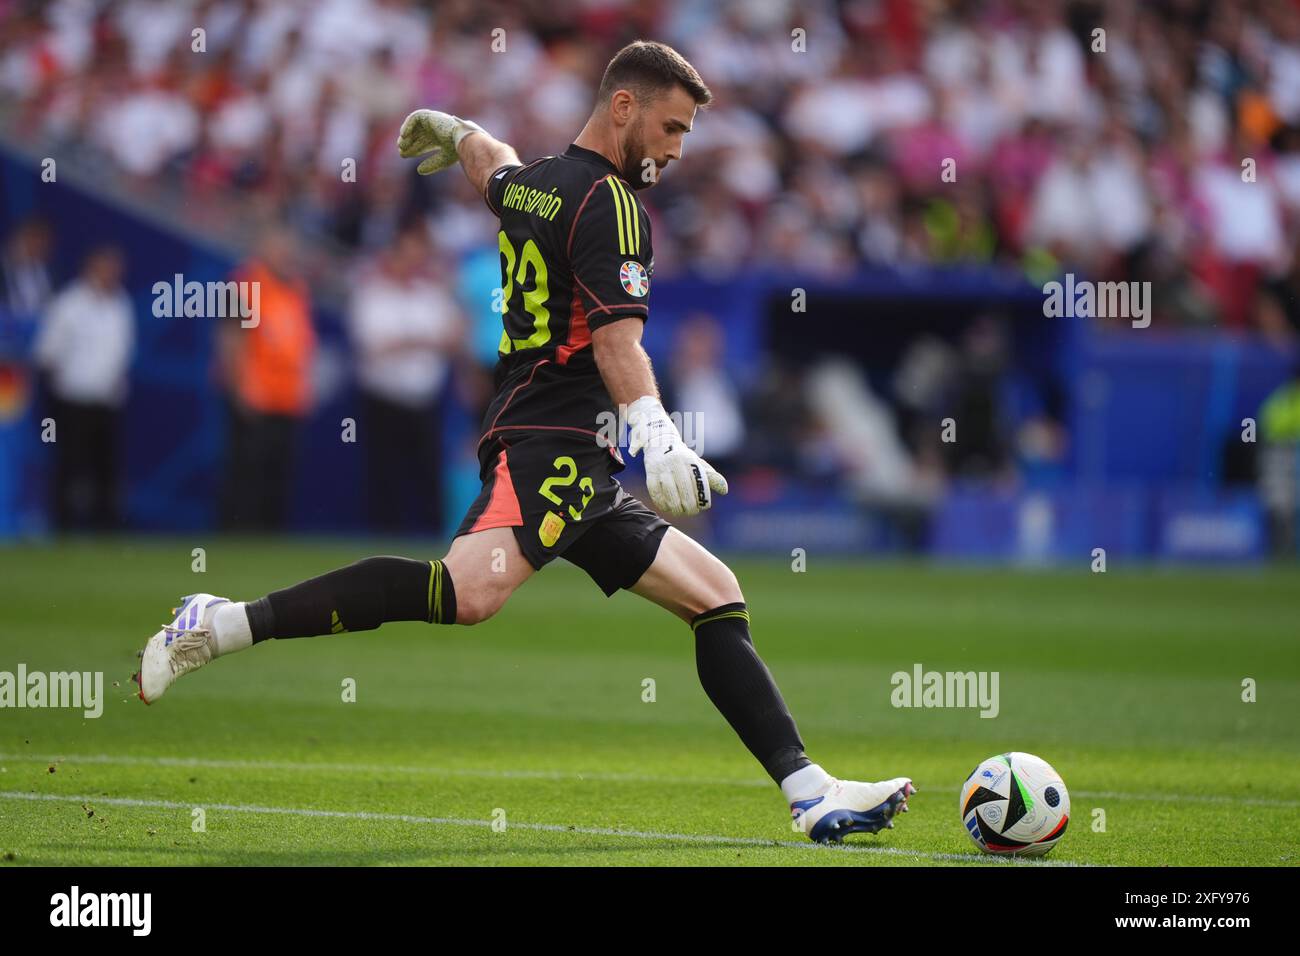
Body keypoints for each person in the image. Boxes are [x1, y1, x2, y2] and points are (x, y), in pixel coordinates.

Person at [134, 41, 914, 844]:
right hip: (549, 443)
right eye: (673, 127)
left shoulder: (534, 184)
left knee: (714, 594)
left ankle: (809, 790)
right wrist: (659, 436)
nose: (679, 150)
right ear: (624, 108)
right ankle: (222, 623)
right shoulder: (612, 205)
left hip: (567, 447)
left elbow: (489, 165)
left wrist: (459, 128)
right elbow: (617, 344)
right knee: (466, 595)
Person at [348, 225, 464, 534]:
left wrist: (408, 341)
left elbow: (453, 337)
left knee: (427, 474)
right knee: (384, 474)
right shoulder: (373, 291)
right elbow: (372, 345)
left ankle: (430, 541)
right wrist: (419, 340)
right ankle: (381, 538)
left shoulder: (431, 294)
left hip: (424, 400)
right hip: (383, 399)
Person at [216, 227, 316, 531]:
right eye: (278, 246)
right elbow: (231, 338)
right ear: (262, 247)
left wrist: (304, 386)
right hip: (254, 395)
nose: (286, 253)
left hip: (286, 398)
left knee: (278, 475)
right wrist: (239, 386)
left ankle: (270, 540)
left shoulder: (296, 288)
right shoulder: (243, 285)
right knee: (247, 474)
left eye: (288, 246)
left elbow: (301, 341)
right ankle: (237, 538)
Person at [34, 245, 134, 531]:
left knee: (106, 470)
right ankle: (62, 528)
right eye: (107, 267)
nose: (113, 273)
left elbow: (123, 351)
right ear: (91, 267)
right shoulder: (69, 304)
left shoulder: (121, 303)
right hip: (72, 401)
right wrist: (58, 394)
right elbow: (48, 353)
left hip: (107, 401)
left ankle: (105, 531)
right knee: (69, 467)